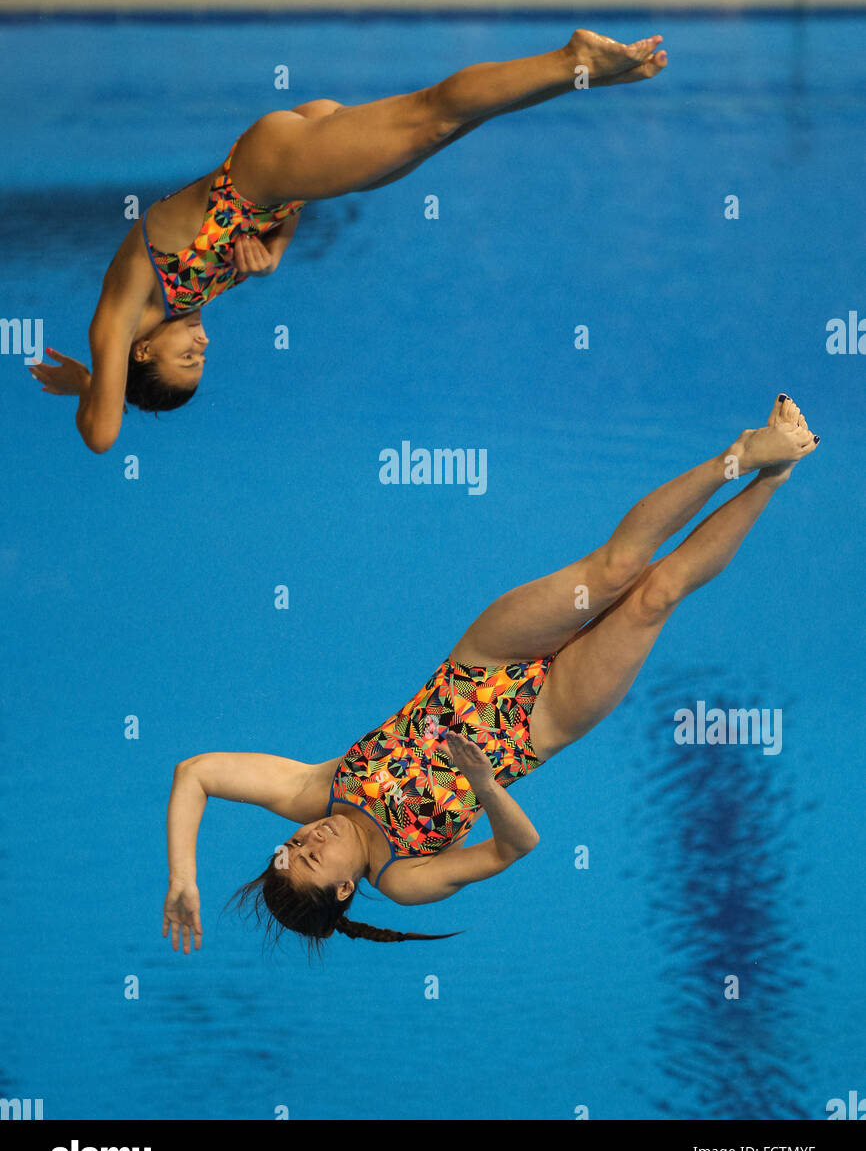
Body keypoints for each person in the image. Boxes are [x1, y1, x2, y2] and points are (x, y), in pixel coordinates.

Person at [162, 395, 818, 957]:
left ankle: (745, 454)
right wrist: (482, 782)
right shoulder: (402, 879)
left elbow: (196, 773)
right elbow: (515, 847)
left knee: (616, 569)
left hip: (482, 664)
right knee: (657, 594)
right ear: (341, 888)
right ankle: (773, 477)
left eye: (294, 843)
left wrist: (183, 877)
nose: (309, 838)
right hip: (541, 723)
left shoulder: (317, 791)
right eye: (312, 857)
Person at [29, 27, 666, 451]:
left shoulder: (121, 315)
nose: (202, 344)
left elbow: (103, 435)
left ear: (140, 356)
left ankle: (571, 58)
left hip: (262, 170)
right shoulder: (186, 303)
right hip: (280, 183)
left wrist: (87, 384)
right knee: (448, 130)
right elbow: (271, 220)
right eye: (203, 359)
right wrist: (272, 255)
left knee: (433, 114)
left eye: (188, 357)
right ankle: (581, 77)